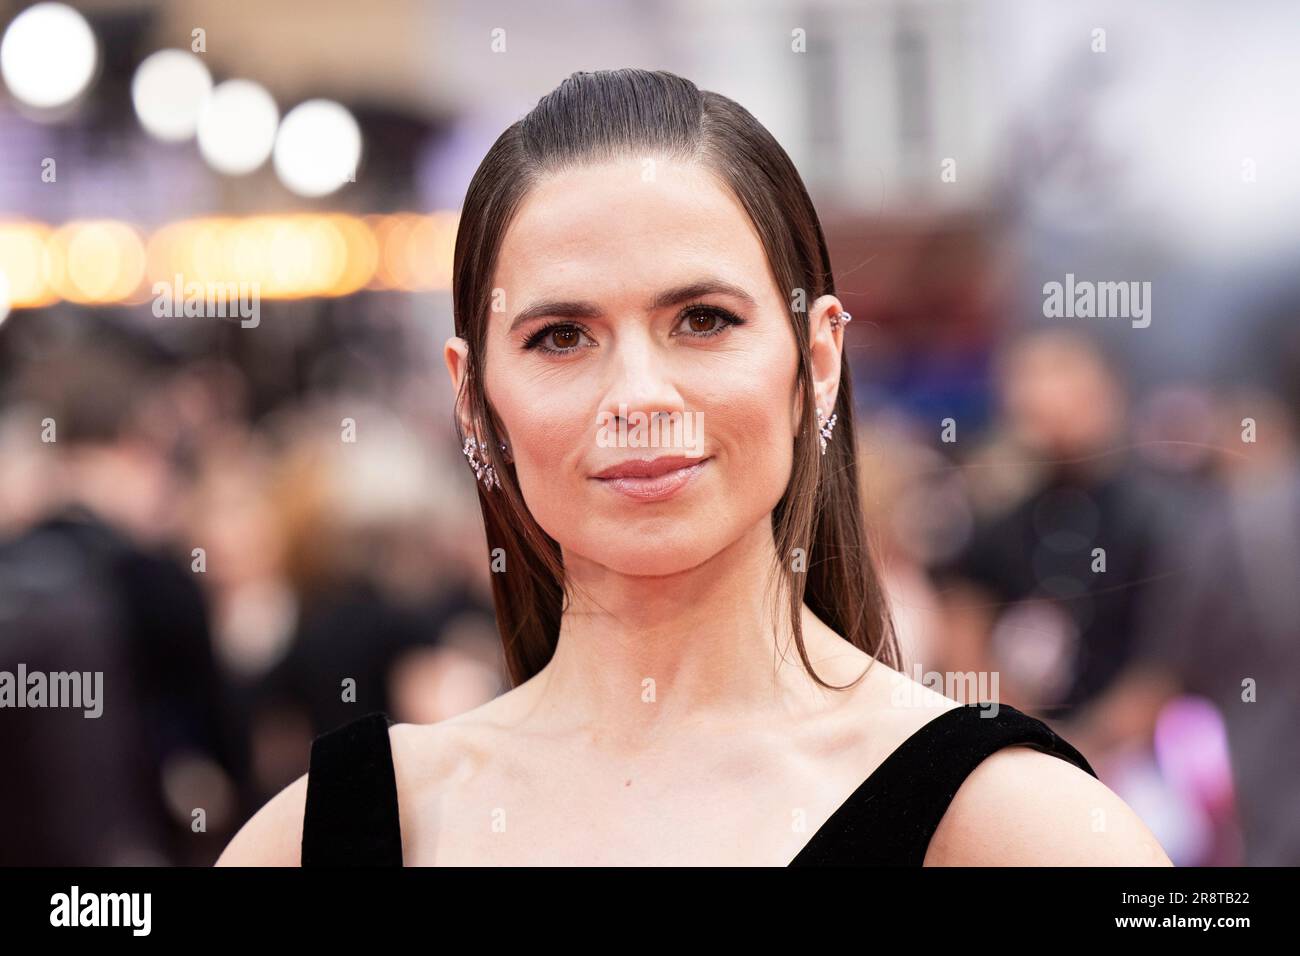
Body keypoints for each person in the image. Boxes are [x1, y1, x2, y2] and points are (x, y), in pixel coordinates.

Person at [216, 68, 1170, 866]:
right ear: (474, 399)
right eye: (560, 337)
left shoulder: (1018, 830)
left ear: (818, 361)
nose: (639, 396)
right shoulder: (330, 834)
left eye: (703, 320)